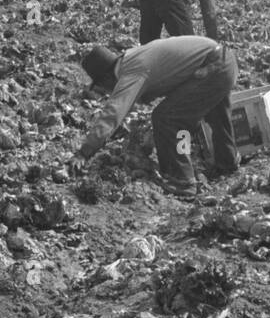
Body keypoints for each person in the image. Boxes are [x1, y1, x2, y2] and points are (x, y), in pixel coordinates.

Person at [69, 37, 238, 198]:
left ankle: (182, 180)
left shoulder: (131, 72)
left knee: (168, 118)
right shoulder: (134, 57)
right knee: (216, 112)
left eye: (104, 87)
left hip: (211, 69)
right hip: (224, 60)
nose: (107, 91)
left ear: (107, 77)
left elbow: (113, 112)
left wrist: (84, 152)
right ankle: (227, 162)